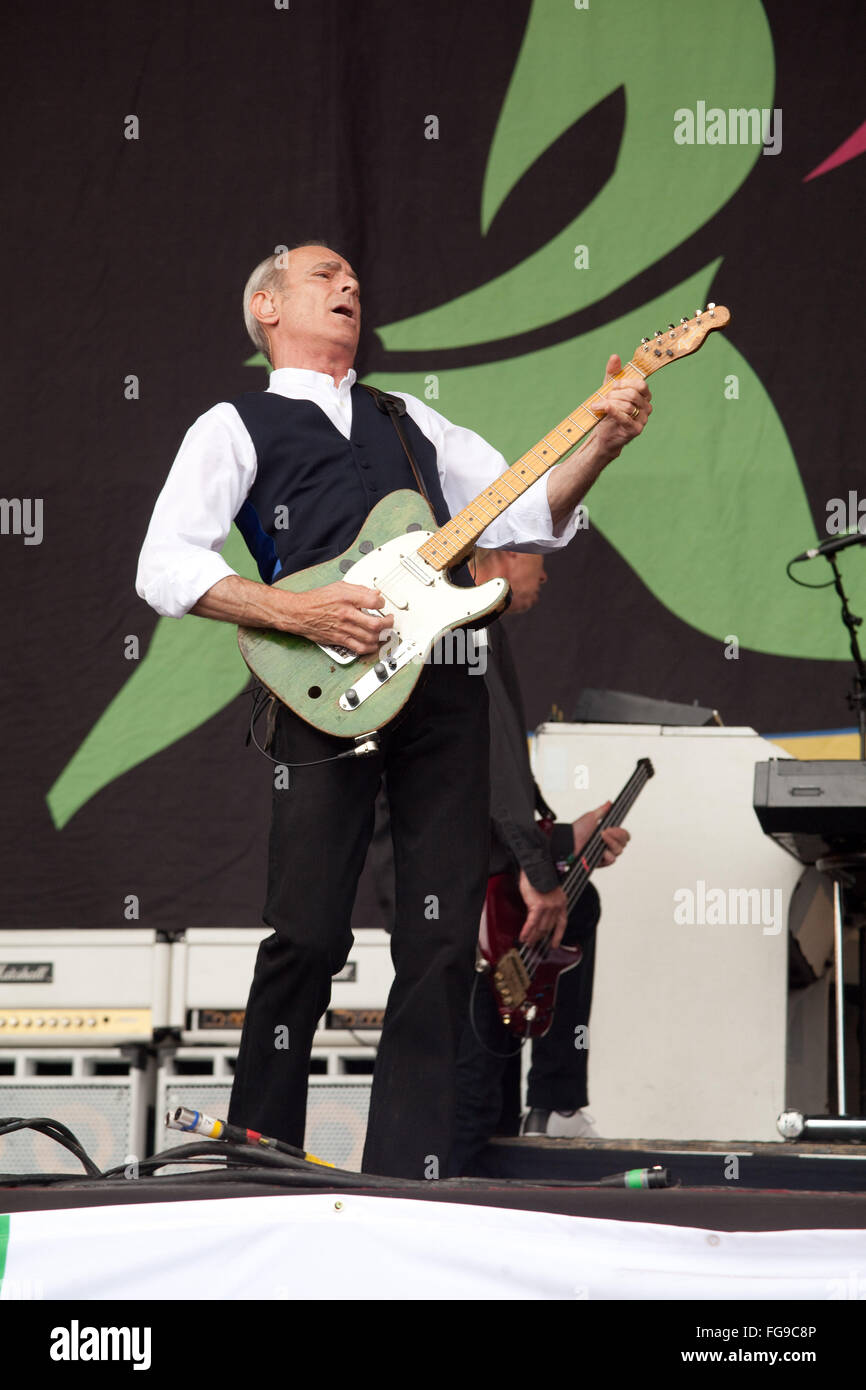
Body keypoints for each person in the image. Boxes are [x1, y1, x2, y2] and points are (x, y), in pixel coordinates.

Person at [135, 242, 652, 1179]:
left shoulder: (407, 418)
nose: (347, 288)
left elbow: (526, 515)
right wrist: (294, 607)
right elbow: (164, 565)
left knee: (444, 937)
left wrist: (605, 440)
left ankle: (409, 1167)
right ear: (266, 307)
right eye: (323, 277)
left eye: (355, 283)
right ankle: (259, 1155)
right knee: (308, 931)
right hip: (320, 687)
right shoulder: (235, 424)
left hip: (443, 690)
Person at [448, 549, 630, 1177]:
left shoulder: (482, 632)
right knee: (469, 1110)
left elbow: (500, 777)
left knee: (487, 1112)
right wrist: (537, 861)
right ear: (495, 551)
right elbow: (481, 777)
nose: (548, 573)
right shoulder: (457, 627)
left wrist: (560, 843)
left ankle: (554, 1102)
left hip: (478, 879)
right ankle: (553, 1103)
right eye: (539, 553)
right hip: (460, 893)